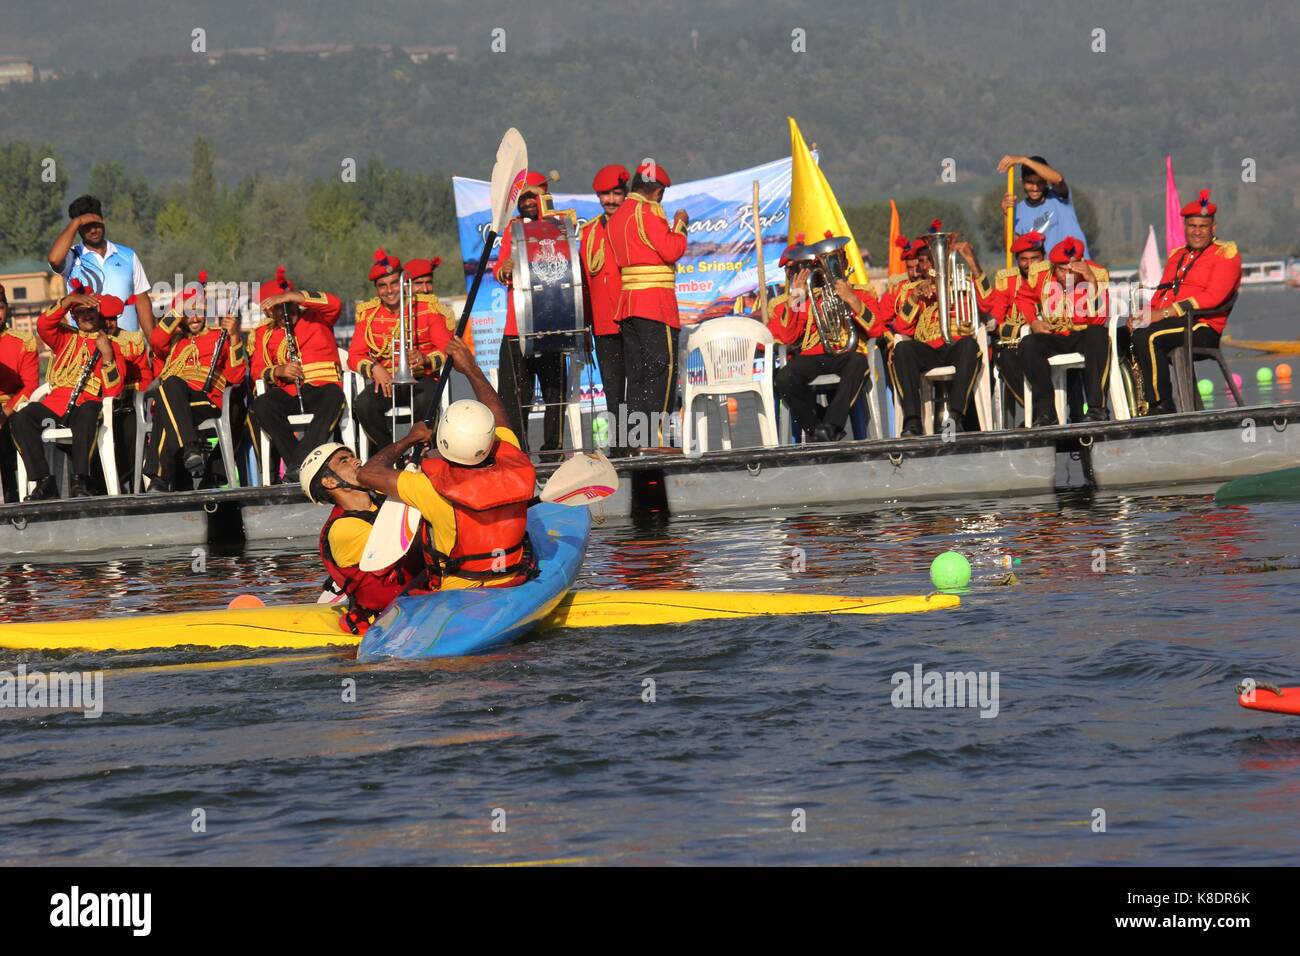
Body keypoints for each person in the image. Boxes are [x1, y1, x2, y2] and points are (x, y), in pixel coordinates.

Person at [357, 337, 536, 591]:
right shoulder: (513, 461)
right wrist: (471, 369)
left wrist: (411, 438)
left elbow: (367, 474)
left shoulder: (430, 488)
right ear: (488, 439)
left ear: (443, 439)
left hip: (459, 588)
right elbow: (500, 417)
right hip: (514, 579)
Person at [1131, 189, 1242, 415]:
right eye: (1192, 226)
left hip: (1203, 326)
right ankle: (1131, 407)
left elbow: (1214, 297)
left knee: (1149, 335)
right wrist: (1144, 314)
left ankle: (1161, 406)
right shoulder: (1177, 255)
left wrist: (1163, 313)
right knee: (1121, 336)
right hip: (1174, 323)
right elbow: (1161, 293)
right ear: (1185, 228)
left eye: (1203, 226)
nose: (1197, 232)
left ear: (1213, 228)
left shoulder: (1226, 254)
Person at [9, 289, 127, 499]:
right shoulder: (64, 337)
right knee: (21, 418)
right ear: (73, 315)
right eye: (80, 311)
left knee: (89, 410)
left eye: (91, 310)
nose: (87, 315)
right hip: (55, 408)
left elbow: (114, 391)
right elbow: (43, 325)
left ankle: (80, 481)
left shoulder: (111, 345)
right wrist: (67, 300)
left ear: (98, 312)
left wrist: (107, 355)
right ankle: (44, 481)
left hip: (85, 407)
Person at [300, 442, 425, 634]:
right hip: (389, 615)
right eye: (344, 461)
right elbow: (407, 544)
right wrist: (410, 439)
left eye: (353, 456)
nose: (356, 461)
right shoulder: (342, 529)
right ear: (329, 482)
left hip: (416, 596)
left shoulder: (382, 500)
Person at [767, 236, 884, 442]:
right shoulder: (807, 295)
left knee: (858, 362)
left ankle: (828, 427)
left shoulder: (861, 292)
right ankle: (819, 428)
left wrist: (852, 299)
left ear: (846, 263)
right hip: (813, 355)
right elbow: (788, 337)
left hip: (846, 353)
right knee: (784, 377)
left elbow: (877, 330)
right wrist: (796, 299)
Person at [607, 160, 689, 450]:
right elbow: (671, 249)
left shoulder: (616, 218)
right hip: (655, 304)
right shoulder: (648, 212)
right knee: (661, 373)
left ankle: (633, 442)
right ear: (656, 192)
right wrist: (680, 226)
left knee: (638, 378)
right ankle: (653, 440)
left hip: (629, 304)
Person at [143, 273, 245, 490]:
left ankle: (161, 477)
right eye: (189, 314)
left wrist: (235, 337)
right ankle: (188, 452)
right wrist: (180, 307)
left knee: (167, 393)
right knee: (169, 389)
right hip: (177, 402)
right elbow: (155, 339)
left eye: (198, 312)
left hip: (206, 402)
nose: (195, 318)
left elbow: (236, 378)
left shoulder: (220, 335)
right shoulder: (173, 344)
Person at [348, 248, 452, 448]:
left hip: (422, 378)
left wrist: (426, 359)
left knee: (426, 400)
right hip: (386, 381)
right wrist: (373, 368)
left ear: (404, 282)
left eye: (394, 283)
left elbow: (448, 350)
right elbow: (354, 356)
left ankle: (421, 451)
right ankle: (390, 451)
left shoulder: (426, 308)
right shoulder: (368, 314)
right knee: (363, 404)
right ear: (376, 289)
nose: (389, 290)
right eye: (382, 286)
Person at [494, 171, 567, 456]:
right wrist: (506, 270)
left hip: (554, 323)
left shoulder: (560, 226)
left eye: (531, 196)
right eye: (522, 197)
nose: (526, 202)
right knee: (513, 398)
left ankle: (553, 452)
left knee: (554, 396)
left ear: (544, 195)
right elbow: (499, 271)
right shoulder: (512, 230)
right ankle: (517, 454)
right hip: (517, 327)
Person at [248, 267, 344, 480]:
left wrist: (293, 295)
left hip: (322, 387)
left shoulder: (317, 317)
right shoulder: (264, 333)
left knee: (334, 397)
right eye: (277, 309)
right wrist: (278, 371)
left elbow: (335, 303)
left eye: (288, 306)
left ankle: (298, 464)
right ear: (268, 311)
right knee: (262, 404)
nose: (284, 313)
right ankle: (301, 465)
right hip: (289, 390)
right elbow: (257, 370)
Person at [889, 222, 984, 437]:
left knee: (970, 345)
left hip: (956, 345)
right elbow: (901, 327)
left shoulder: (963, 282)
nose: (925, 266)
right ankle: (912, 421)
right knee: (903, 350)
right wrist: (915, 298)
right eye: (922, 262)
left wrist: (973, 265)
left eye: (929, 260)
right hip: (929, 349)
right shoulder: (913, 290)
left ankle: (955, 418)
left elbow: (990, 306)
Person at [1017, 236, 1111, 425]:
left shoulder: (1097, 274)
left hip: (1083, 335)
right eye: (1061, 269)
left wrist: (1090, 281)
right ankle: (1045, 413)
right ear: (1053, 266)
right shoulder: (1041, 274)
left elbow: (1099, 317)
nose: (1066, 274)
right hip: (1055, 335)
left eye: (1072, 269)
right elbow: (1023, 298)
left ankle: (1096, 409)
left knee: (1098, 334)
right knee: (1028, 344)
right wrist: (1034, 322)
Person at [961, 231, 1049, 413]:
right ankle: (1038, 412)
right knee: (1004, 358)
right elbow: (995, 320)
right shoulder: (1007, 280)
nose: (1030, 264)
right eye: (1024, 259)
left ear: (1044, 257)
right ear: (1017, 260)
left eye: (1035, 258)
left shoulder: (1054, 275)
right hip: (1015, 346)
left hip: (1048, 343)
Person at [46, 194, 157, 334]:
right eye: (86, 226)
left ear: (102, 221)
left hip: (128, 347)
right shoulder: (71, 257)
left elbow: (141, 301)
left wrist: (154, 345)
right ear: (78, 229)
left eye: (96, 224)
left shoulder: (128, 255)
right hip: (88, 347)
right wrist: (77, 222)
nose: (93, 230)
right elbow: (54, 259)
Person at [580, 164, 630, 440]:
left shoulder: (634, 226)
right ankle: (621, 446)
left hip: (634, 319)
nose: (610, 200)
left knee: (637, 385)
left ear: (626, 194)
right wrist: (586, 327)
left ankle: (642, 442)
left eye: (616, 193)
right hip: (604, 324)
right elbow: (585, 285)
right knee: (612, 389)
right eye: (605, 194)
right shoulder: (588, 233)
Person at [996, 155, 1089, 259]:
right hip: (1047, 273)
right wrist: (1006, 215)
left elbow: (1058, 179)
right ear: (1022, 181)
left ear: (1046, 181)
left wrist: (1024, 160)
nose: (1035, 188)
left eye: (1040, 183)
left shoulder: (1060, 196)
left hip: (1076, 267)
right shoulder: (1018, 210)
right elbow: (1011, 248)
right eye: (1030, 183)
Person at [0, 286, 40, 502]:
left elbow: (30, 385)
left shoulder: (23, 341)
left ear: (7, 309)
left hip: (11, 408)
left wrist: (6, 411)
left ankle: (11, 494)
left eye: (0, 307)